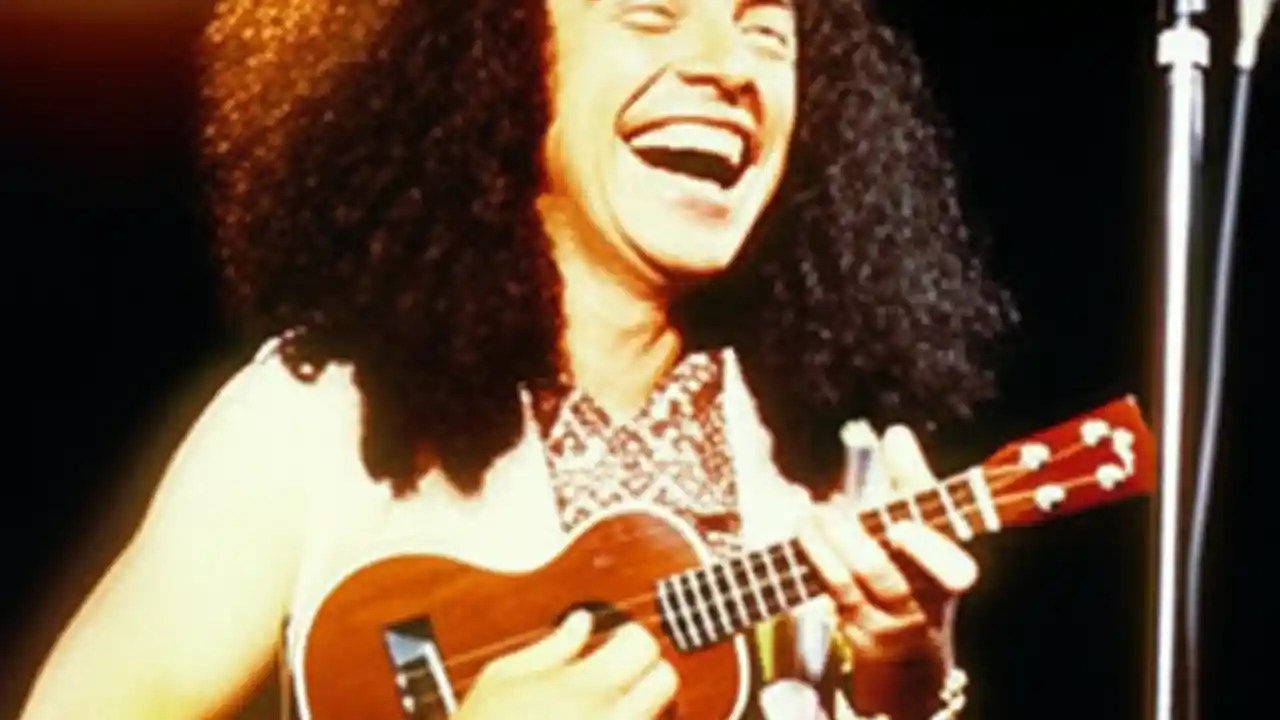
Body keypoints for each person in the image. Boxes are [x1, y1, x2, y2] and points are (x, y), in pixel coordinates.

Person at [19, 0, 1013, 718]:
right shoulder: (317, 419)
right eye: (652, 15)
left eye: (766, 30)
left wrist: (905, 679)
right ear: (499, 58)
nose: (728, 66)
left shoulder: (836, 462)